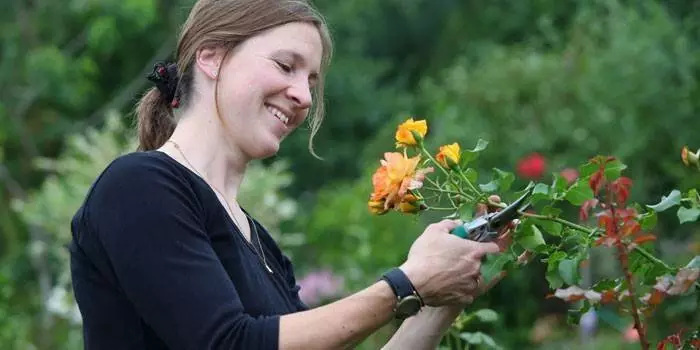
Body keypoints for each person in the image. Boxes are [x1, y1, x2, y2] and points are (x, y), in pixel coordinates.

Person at [69, 0, 507, 349]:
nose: (302, 96)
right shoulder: (138, 187)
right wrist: (407, 281)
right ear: (211, 56)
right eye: (285, 66)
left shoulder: (259, 242)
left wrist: (441, 296)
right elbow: (229, 344)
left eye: (312, 82)